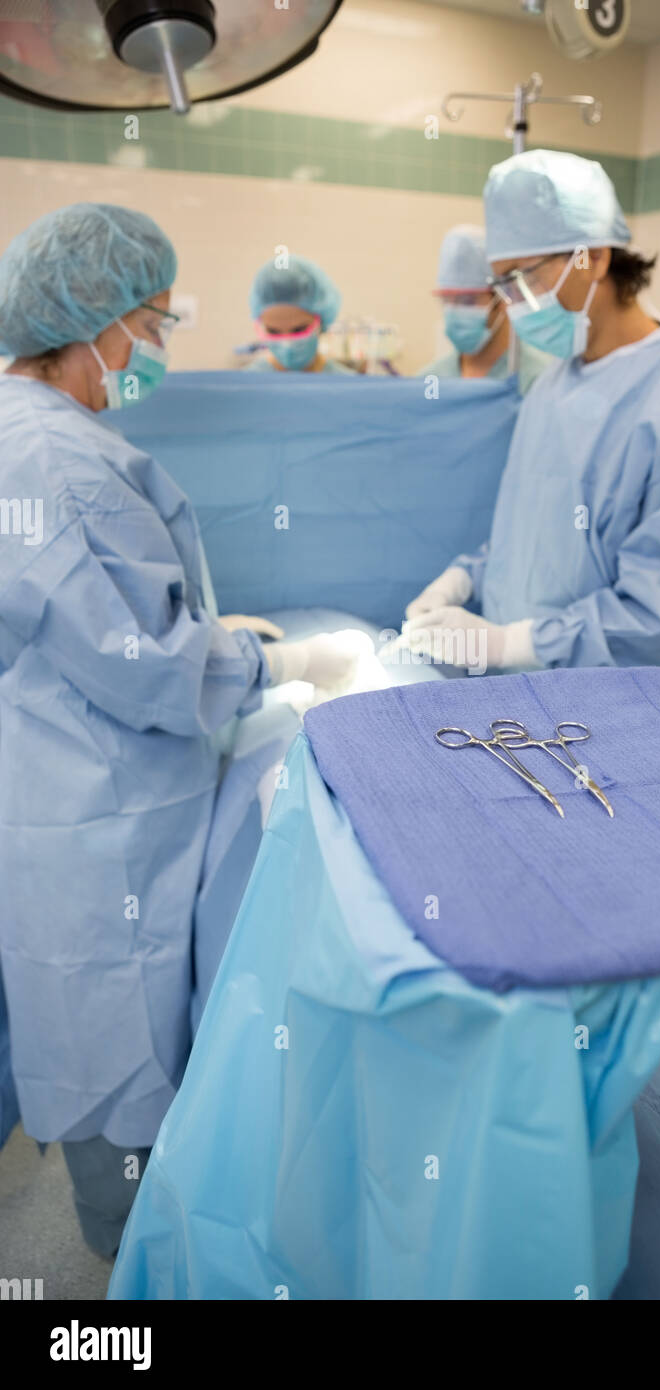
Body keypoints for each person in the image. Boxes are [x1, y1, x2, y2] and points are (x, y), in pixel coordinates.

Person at [0, 203, 359, 1257]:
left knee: (93, 1037)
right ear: (92, 320)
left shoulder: (24, 433)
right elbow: (141, 664)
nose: (153, 349)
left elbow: (89, 620)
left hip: (58, 788)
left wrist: (202, 634)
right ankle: (131, 1276)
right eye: (149, 326)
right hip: (101, 818)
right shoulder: (58, 462)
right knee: (118, 1058)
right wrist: (275, 664)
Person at [403, 150, 660, 672]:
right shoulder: (554, 386)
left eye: (523, 277)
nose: (513, 303)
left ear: (595, 257)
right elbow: (539, 540)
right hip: (531, 700)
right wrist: (466, 578)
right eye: (502, 286)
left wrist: (513, 644)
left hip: (633, 712)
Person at [418, 224, 553, 394]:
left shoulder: (537, 380)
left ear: (504, 297)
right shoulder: (431, 380)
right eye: (446, 301)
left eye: (468, 301)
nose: (454, 311)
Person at [246, 255, 356, 374]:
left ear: (321, 323)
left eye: (298, 330)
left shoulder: (347, 384)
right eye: (274, 331)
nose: (287, 343)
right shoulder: (243, 386)